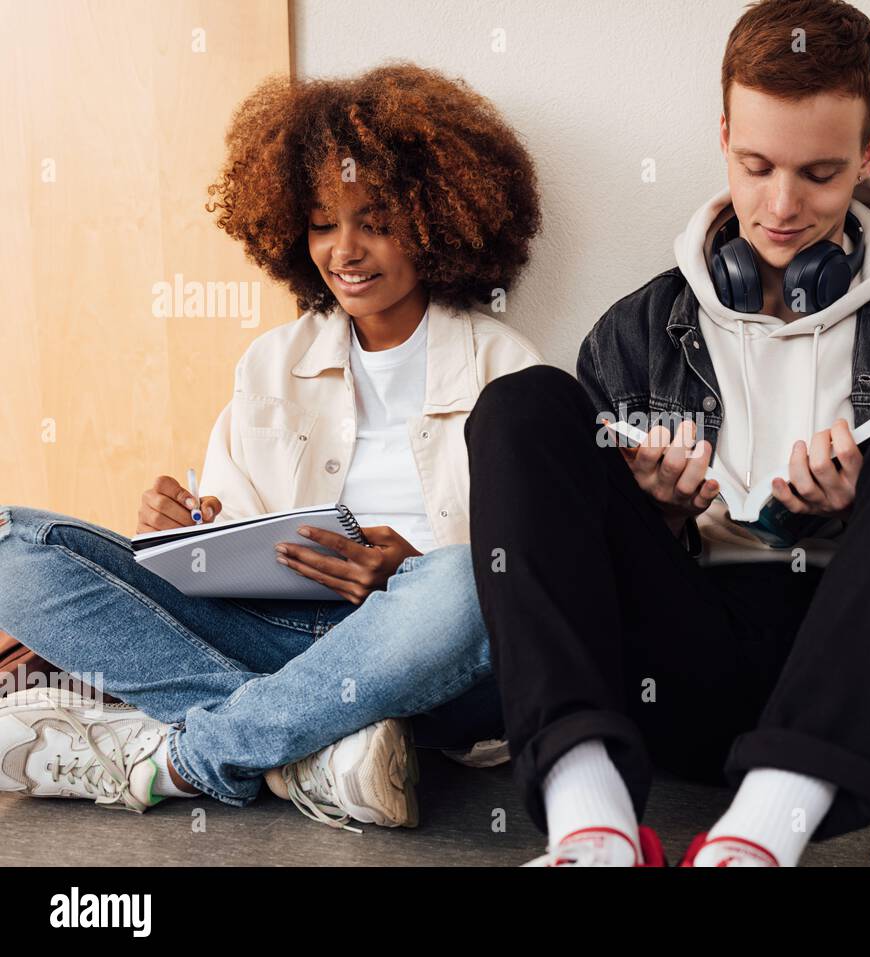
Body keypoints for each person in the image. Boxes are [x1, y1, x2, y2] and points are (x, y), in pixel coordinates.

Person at [464, 0, 870, 866]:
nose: (780, 207)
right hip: (683, 680)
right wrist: (657, 517)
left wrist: (868, 516)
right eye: (755, 164)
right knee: (519, 405)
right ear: (724, 133)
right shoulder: (635, 328)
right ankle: (593, 827)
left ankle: (763, 828)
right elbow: (581, 561)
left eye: (819, 173)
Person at [0, 64, 544, 832]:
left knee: (461, 586)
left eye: (375, 220)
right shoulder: (270, 364)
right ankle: (317, 751)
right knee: (12, 548)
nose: (345, 251)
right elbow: (233, 542)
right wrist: (185, 531)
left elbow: (531, 584)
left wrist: (409, 567)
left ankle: (185, 757)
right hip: (280, 636)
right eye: (323, 223)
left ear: (436, 220)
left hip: (426, 659)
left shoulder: (512, 371)